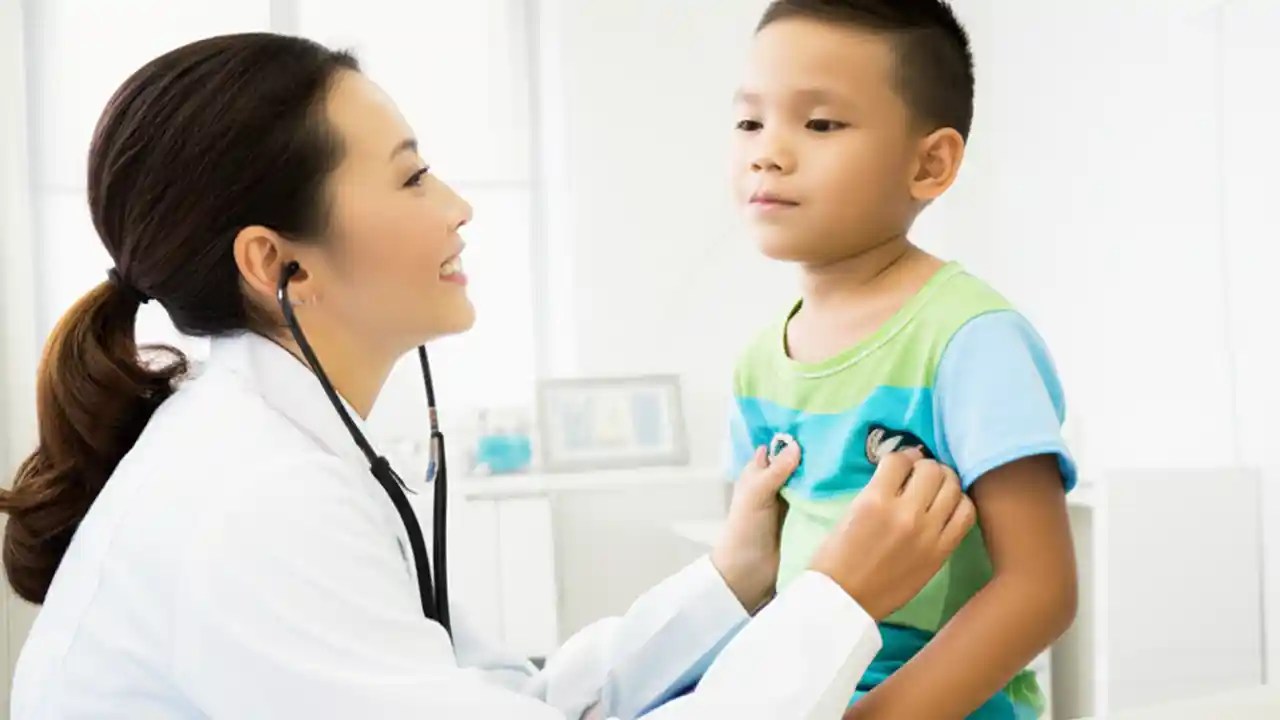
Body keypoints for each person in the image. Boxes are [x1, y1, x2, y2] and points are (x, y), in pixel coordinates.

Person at [0, 33, 976, 719]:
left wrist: (732, 582)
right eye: (412, 177)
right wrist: (837, 599)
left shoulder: (292, 449)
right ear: (278, 265)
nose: (458, 207)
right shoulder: (253, 506)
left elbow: (508, 700)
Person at [725, 1, 1079, 718]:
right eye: (749, 122)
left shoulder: (969, 338)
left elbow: (1040, 590)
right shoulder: (759, 364)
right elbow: (759, 584)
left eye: (820, 123)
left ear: (931, 163)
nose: (768, 150)